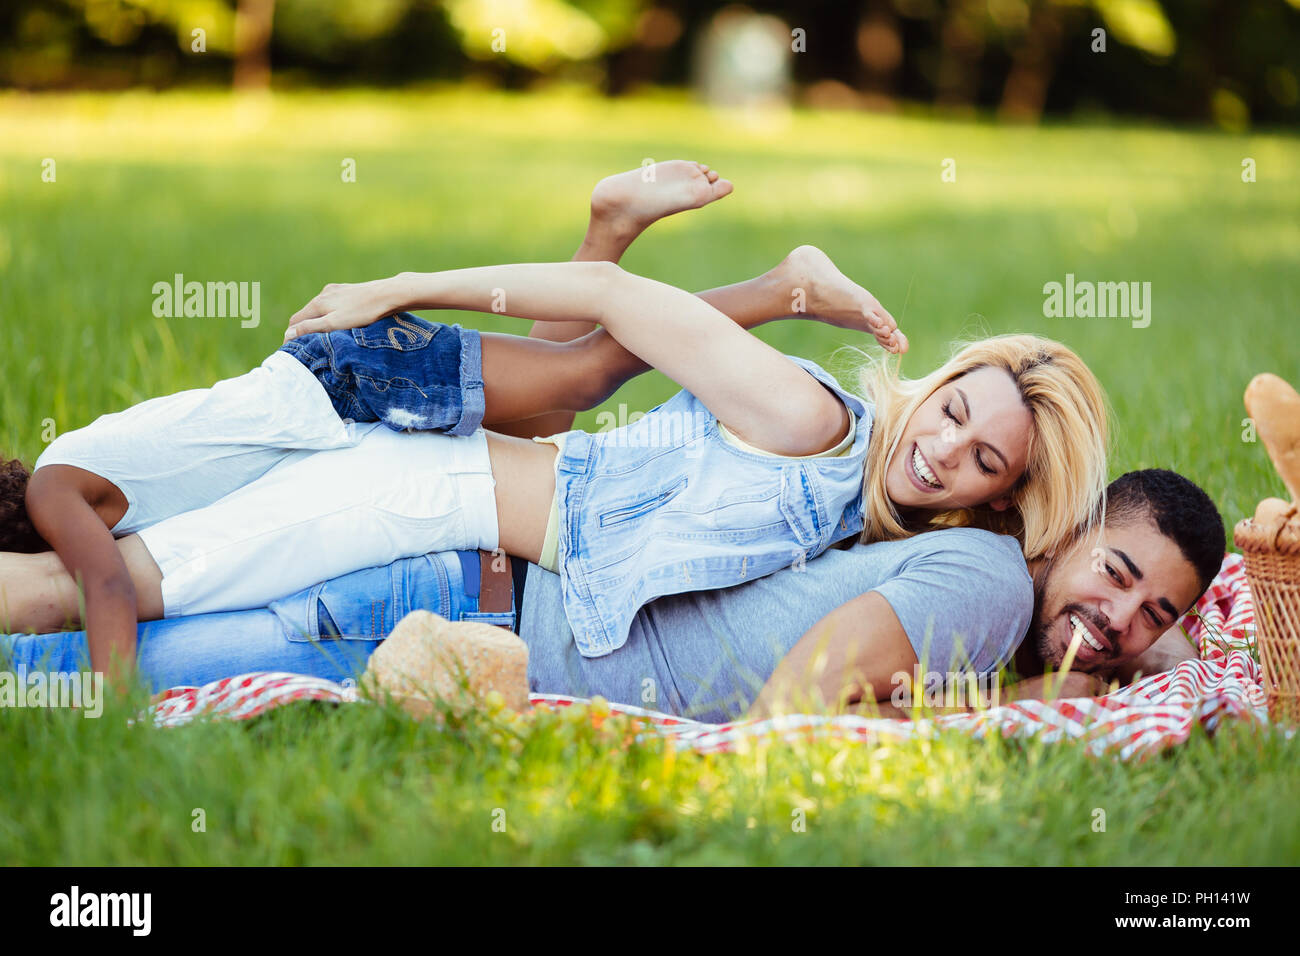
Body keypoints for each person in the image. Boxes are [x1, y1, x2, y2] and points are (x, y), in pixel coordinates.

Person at [2, 161, 1107, 689]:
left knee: (569, 385)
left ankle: (669, 243)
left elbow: (617, 351)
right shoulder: (823, 426)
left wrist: (1125, 622)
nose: (944, 447)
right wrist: (407, 281)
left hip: (478, 493)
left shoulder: (864, 506)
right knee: (108, 584)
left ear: (996, 494)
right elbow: (625, 316)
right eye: (954, 411)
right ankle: (730, 264)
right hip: (416, 491)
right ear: (937, 384)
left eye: (981, 459)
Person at [1, 469, 1225, 723]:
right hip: (461, 615)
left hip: (469, 613)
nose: (1122, 620)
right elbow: (794, 712)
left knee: (78, 626)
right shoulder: (984, 591)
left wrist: (1141, 650)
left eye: (1157, 612)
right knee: (61, 679)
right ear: (1063, 535)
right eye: (1116, 574)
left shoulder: (1006, 633)